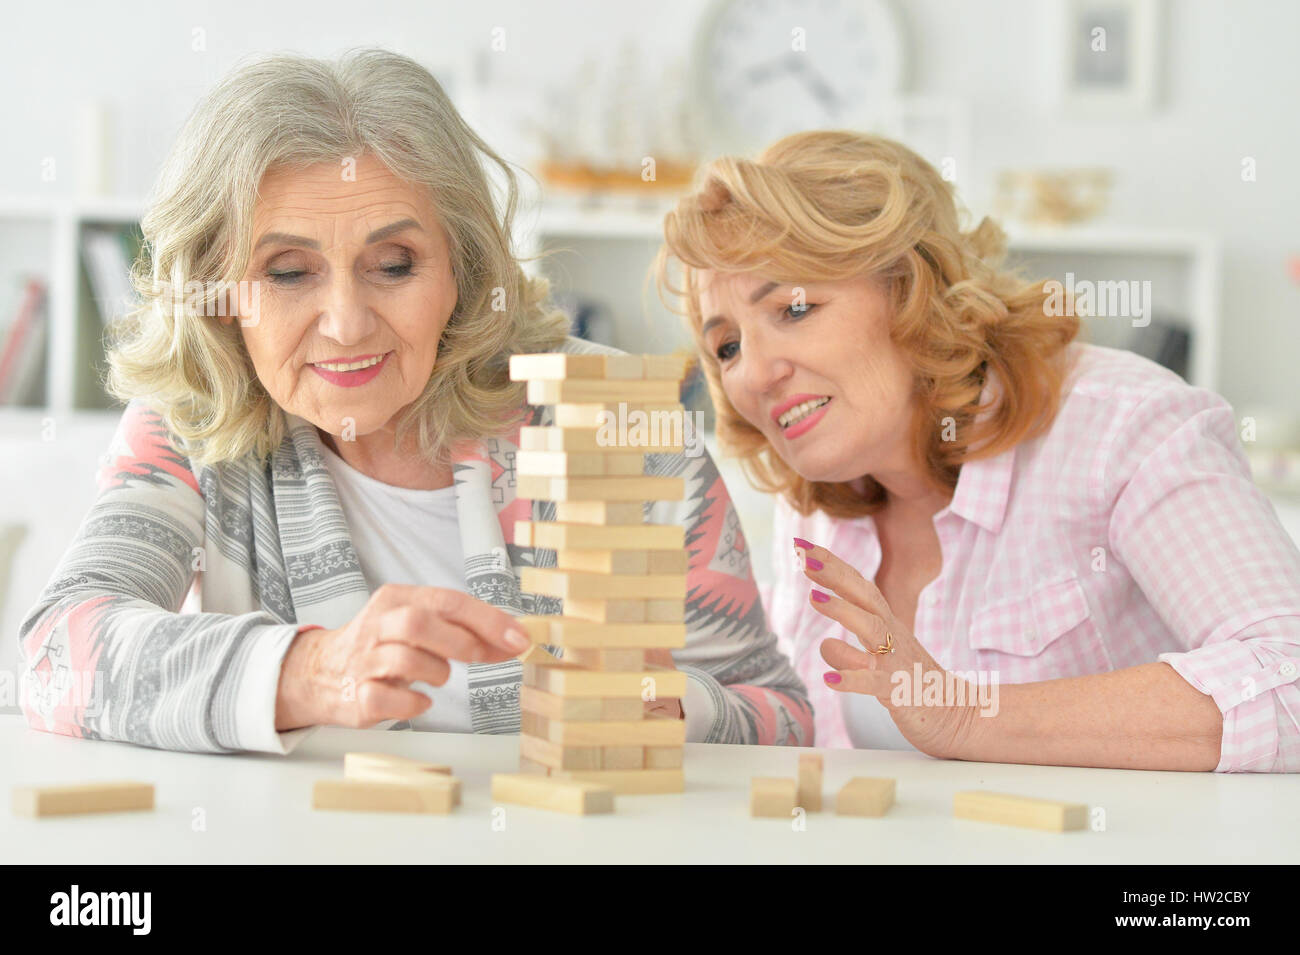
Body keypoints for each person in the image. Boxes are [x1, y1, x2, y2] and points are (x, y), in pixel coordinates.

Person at [16, 50, 812, 754]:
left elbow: (777, 713)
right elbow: (56, 654)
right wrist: (308, 671)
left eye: (394, 264)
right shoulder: (195, 419)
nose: (346, 323)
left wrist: (669, 705)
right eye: (288, 273)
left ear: (460, 271)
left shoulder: (614, 423)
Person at [656, 130, 1300, 772]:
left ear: (910, 289)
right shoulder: (825, 501)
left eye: (794, 308)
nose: (757, 373)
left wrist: (962, 715)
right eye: (728, 347)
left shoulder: (1124, 427)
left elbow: (1289, 678)